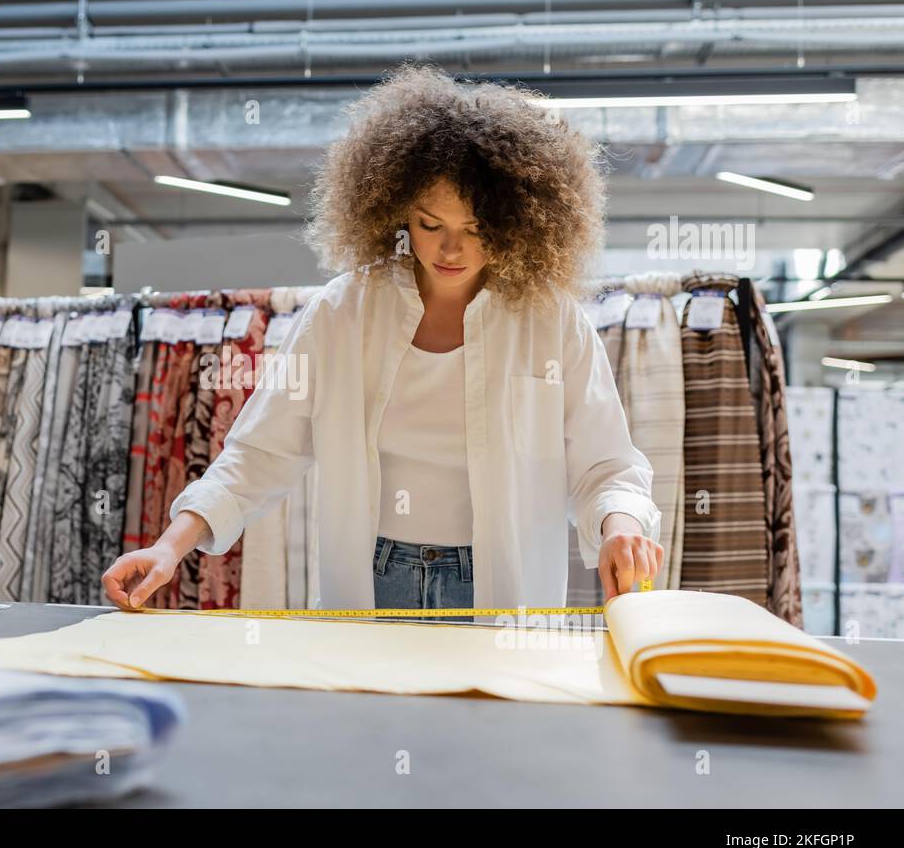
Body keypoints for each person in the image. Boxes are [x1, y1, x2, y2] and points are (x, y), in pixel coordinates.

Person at [102, 62, 664, 614]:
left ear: (519, 223)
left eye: (477, 229)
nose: (451, 251)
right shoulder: (342, 313)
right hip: (372, 580)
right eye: (430, 224)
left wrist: (620, 526)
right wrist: (169, 546)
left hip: (501, 590)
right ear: (394, 212)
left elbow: (606, 465)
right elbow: (257, 454)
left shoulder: (552, 320)